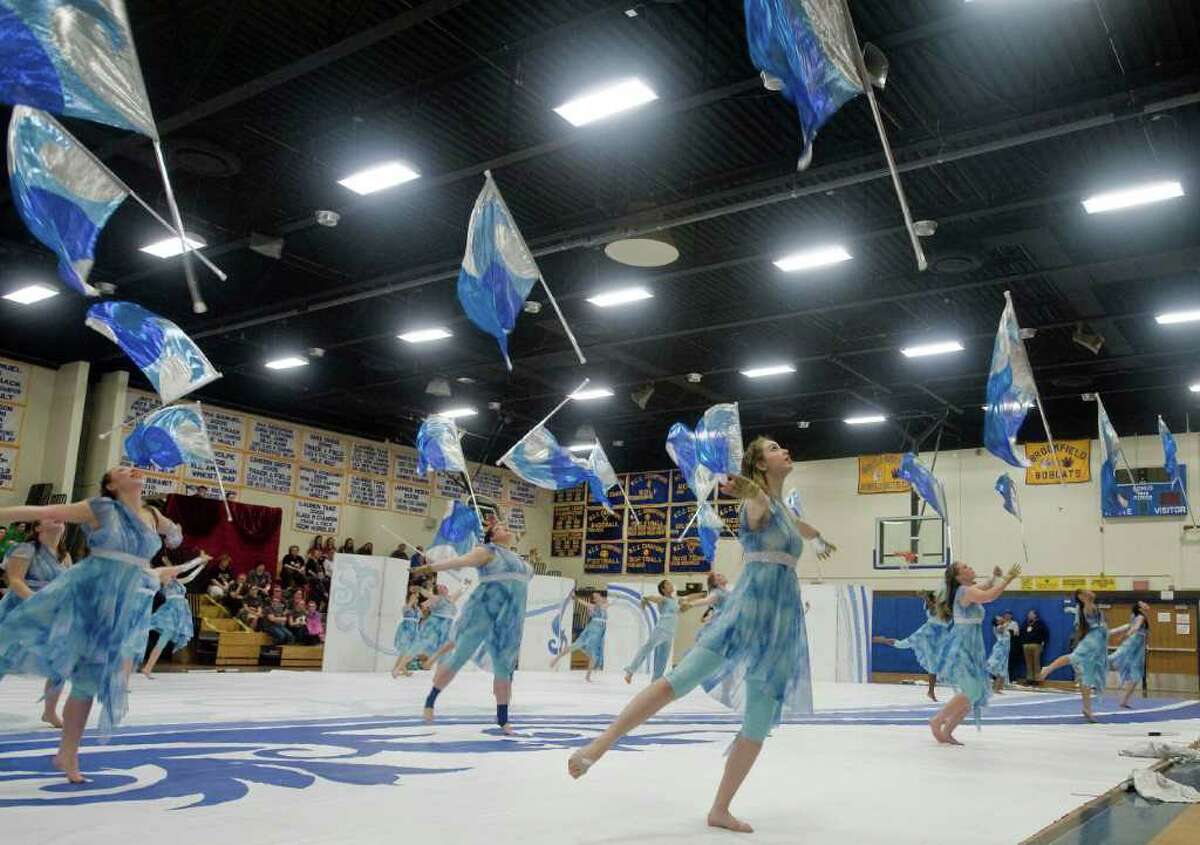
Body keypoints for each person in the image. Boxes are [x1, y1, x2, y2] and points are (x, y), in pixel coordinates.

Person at [566, 436, 836, 834]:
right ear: (760, 465)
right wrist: (742, 485)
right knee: (679, 679)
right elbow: (754, 498)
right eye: (776, 448)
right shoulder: (757, 502)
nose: (786, 450)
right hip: (746, 612)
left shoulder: (781, 508)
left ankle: (720, 809)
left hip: (779, 623)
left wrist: (818, 538)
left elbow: (799, 524)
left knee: (759, 723)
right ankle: (599, 744)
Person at [0, 466, 194, 782]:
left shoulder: (153, 514)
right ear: (110, 484)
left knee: (91, 678)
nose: (131, 468)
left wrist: (174, 533)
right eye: (121, 468)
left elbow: (174, 536)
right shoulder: (101, 508)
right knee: (30, 641)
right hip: (92, 593)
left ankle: (68, 753)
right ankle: (61, 734)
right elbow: (42, 510)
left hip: (128, 602)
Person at [411, 519, 531, 735]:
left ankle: (503, 719)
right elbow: (460, 561)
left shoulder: (519, 560)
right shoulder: (487, 551)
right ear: (492, 536)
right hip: (484, 613)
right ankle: (430, 701)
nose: (507, 528)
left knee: (504, 668)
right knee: (460, 656)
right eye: (501, 527)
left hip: (509, 619)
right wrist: (429, 567)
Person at [931, 561, 1021, 745]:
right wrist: (1006, 580)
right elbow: (988, 596)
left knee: (975, 692)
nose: (970, 567)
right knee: (972, 690)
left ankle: (948, 730)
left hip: (972, 646)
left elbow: (985, 586)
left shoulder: (966, 589)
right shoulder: (965, 591)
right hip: (964, 646)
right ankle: (938, 720)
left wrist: (994, 578)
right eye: (965, 567)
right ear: (958, 577)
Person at [0, 519, 73, 727]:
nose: (58, 519)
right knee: (3, 659)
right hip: (21, 610)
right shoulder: (26, 549)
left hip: (52, 612)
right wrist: (38, 602)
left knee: (61, 661)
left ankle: (49, 711)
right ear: (38, 528)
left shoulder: (64, 556)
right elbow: (15, 580)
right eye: (50, 517)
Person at [1039, 589, 1109, 722]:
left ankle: (1087, 708)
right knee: (1073, 657)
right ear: (1082, 598)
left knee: (1086, 678)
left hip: (1097, 643)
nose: (1089, 592)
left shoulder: (1090, 607)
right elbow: (1090, 598)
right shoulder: (1087, 607)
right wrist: (1085, 596)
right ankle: (1048, 668)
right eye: (1084, 593)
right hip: (1092, 642)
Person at [142, 556, 210, 677]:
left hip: (181, 611)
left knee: (165, 638)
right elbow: (173, 570)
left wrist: (201, 566)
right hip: (170, 610)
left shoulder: (178, 582)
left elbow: (191, 577)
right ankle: (143, 665)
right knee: (155, 634)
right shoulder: (164, 578)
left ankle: (148, 668)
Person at [872, 591, 947, 702]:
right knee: (904, 645)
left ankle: (931, 691)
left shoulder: (941, 607)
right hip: (928, 634)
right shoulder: (933, 608)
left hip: (938, 635)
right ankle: (881, 640)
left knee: (934, 664)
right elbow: (934, 608)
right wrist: (926, 597)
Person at [399, 580, 473, 675]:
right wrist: (420, 590)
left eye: (444, 586)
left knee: (445, 649)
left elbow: (460, 592)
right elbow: (426, 597)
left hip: (446, 627)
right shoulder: (435, 598)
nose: (444, 587)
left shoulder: (450, 598)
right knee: (422, 644)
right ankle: (403, 664)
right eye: (440, 586)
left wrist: (465, 584)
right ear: (437, 590)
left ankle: (441, 671)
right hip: (435, 624)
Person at [622, 580, 688, 684]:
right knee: (647, 648)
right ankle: (630, 671)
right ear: (663, 589)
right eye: (668, 584)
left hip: (670, 633)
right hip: (661, 629)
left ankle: (655, 681)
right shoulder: (664, 599)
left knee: (663, 658)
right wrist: (647, 598)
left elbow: (689, 599)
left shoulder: (675, 600)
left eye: (671, 583)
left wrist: (703, 594)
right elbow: (656, 598)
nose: (671, 585)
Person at [551, 592, 608, 681]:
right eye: (595, 596)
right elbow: (583, 602)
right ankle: (556, 658)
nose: (597, 597)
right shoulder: (593, 606)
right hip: (592, 630)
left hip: (598, 631)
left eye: (598, 595)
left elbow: (605, 603)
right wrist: (575, 597)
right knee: (577, 645)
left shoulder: (604, 604)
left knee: (594, 654)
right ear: (595, 599)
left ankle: (588, 676)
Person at [1108, 601, 1150, 709]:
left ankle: (1124, 701)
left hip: (1138, 646)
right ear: (1140, 608)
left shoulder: (1138, 616)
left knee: (1135, 675)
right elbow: (1134, 628)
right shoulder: (1140, 617)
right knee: (1116, 657)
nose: (1146, 604)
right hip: (1134, 643)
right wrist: (1124, 635)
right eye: (1142, 604)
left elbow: (1128, 626)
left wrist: (1116, 633)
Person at [391, 587, 423, 678]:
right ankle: (398, 669)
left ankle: (398, 669)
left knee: (409, 652)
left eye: (416, 597)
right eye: (413, 597)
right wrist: (411, 601)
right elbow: (406, 609)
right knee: (406, 651)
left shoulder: (417, 609)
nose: (415, 599)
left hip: (414, 630)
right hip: (406, 629)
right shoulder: (406, 607)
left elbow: (420, 616)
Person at [1019, 609, 1050, 686]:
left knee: (1036, 663)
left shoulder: (1040, 623)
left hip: (1036, 645)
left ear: (1035, 615)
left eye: (1030, 614)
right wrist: (1023, 642)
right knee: (1028, 663)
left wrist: (1043, 643)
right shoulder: (1026, 623)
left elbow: (1046, 633)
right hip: (1026, 645)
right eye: (1028, 614)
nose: (1028, 615)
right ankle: (1030, 679)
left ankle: (1037, 679)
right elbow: (1021, 632)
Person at [986, 615, 1013, 693]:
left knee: (1003, 669)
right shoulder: (997, 628)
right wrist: (1007, 621)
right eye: (999, 618)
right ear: (997, 622)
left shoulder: (1004, 627)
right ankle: (996, 688)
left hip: (1005, 651)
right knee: (999, 668)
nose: (1001, 618)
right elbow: (1002, 628)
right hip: (999, 650)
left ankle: (999, 687)